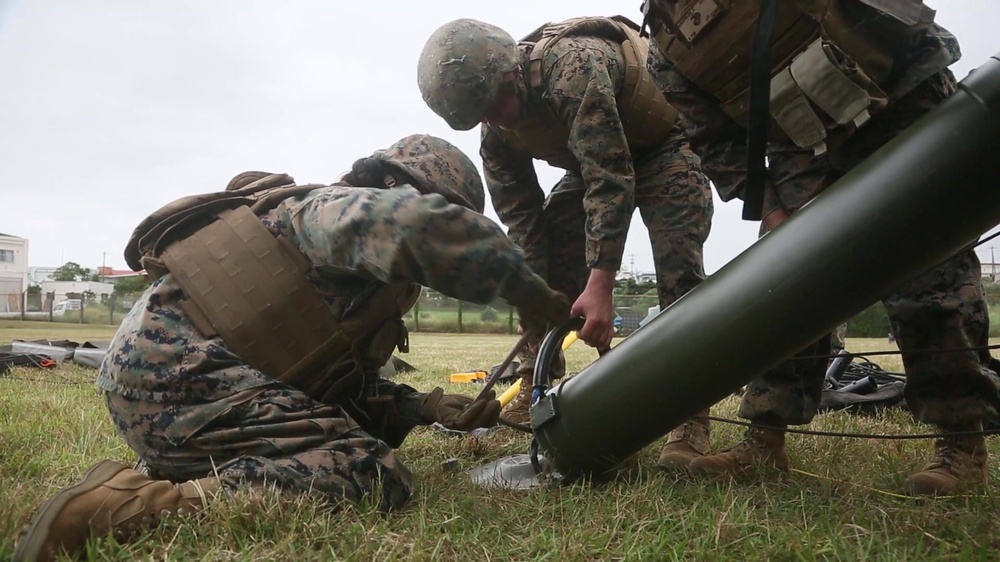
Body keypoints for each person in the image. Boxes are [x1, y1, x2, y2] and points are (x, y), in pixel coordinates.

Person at [13, 134, 570, 561]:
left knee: (343, 439)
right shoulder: (331, 212)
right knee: (373, 472)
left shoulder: (351, 262)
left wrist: (423, 407)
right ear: (404, 187)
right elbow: (414, 224)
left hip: (168, 383)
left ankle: (170, 469)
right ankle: (126, 508)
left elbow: (328, 381)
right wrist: (526, 289)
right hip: (184, 381)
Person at [642, 0, 998, 495]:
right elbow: (712, 136)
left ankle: (961, 443)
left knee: (928, 273)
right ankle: (765, 442)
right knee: (786, 284)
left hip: (896, 93)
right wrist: (769, 210)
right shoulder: (665, 37)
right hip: (799, 142)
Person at [417, 17, 715, 465]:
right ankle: (539, 388)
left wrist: (600, 285)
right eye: (480, 114)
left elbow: (610, 179)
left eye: (494, 103)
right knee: (549, 265)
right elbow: (523, 223)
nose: (492, 120)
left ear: (511, 72)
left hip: (664, 149)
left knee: (679, 275)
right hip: (593, 167)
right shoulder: (495, 132)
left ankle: (690, 417)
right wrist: (531, 296)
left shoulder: (573, 67)